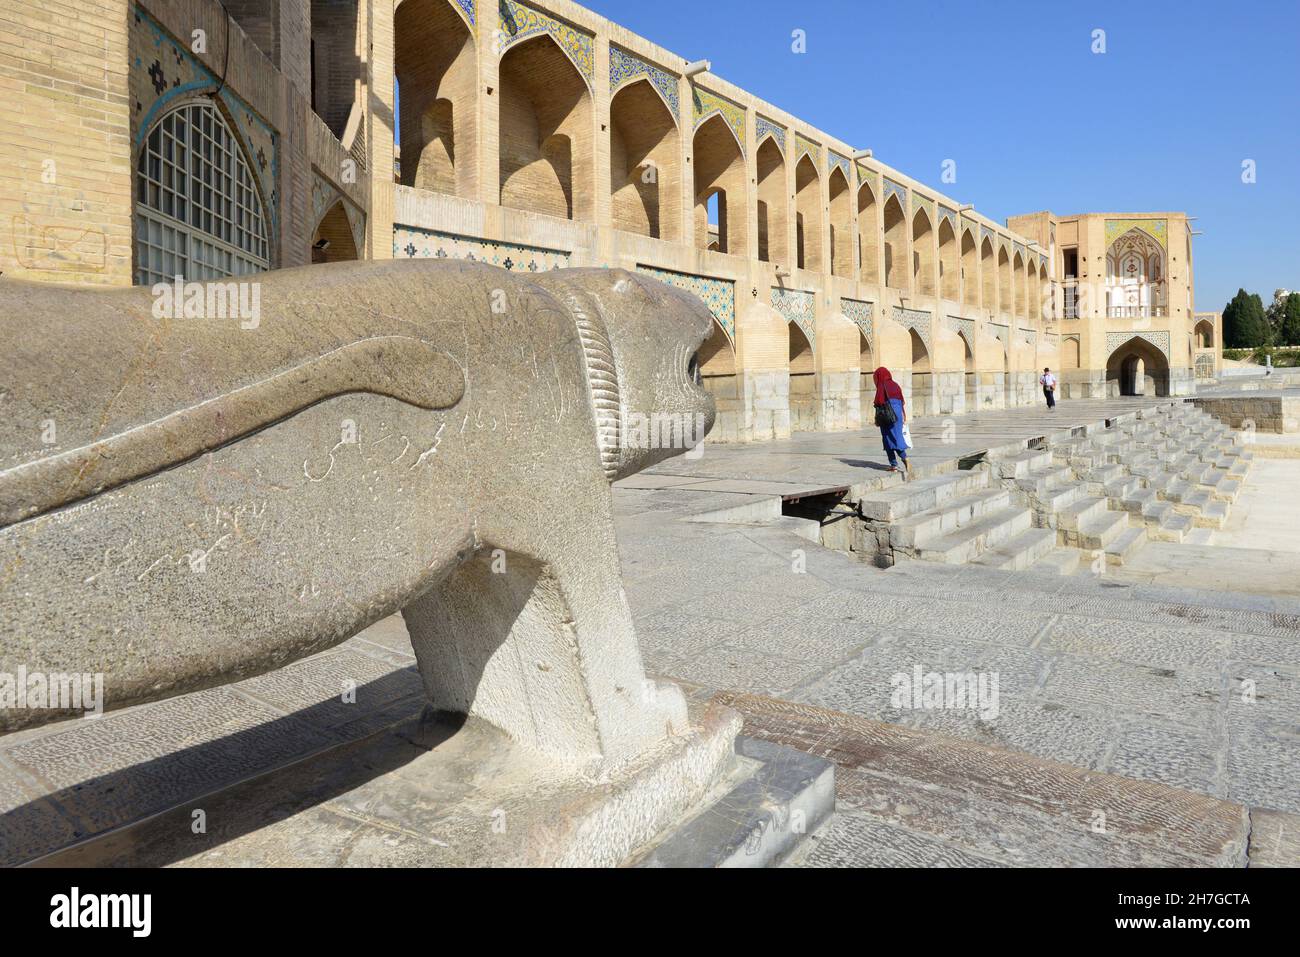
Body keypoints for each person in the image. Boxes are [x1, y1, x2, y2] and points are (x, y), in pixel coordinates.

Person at [872, 366, 911, 476]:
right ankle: (899, 461)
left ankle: (899, 461)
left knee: (887, 438)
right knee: (896, 437)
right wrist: (903, 415)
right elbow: (902, 401)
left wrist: (876, 419)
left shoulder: (882, 385)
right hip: (897, 413)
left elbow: (879, 402)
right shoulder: (895, 384)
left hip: (887, 415)